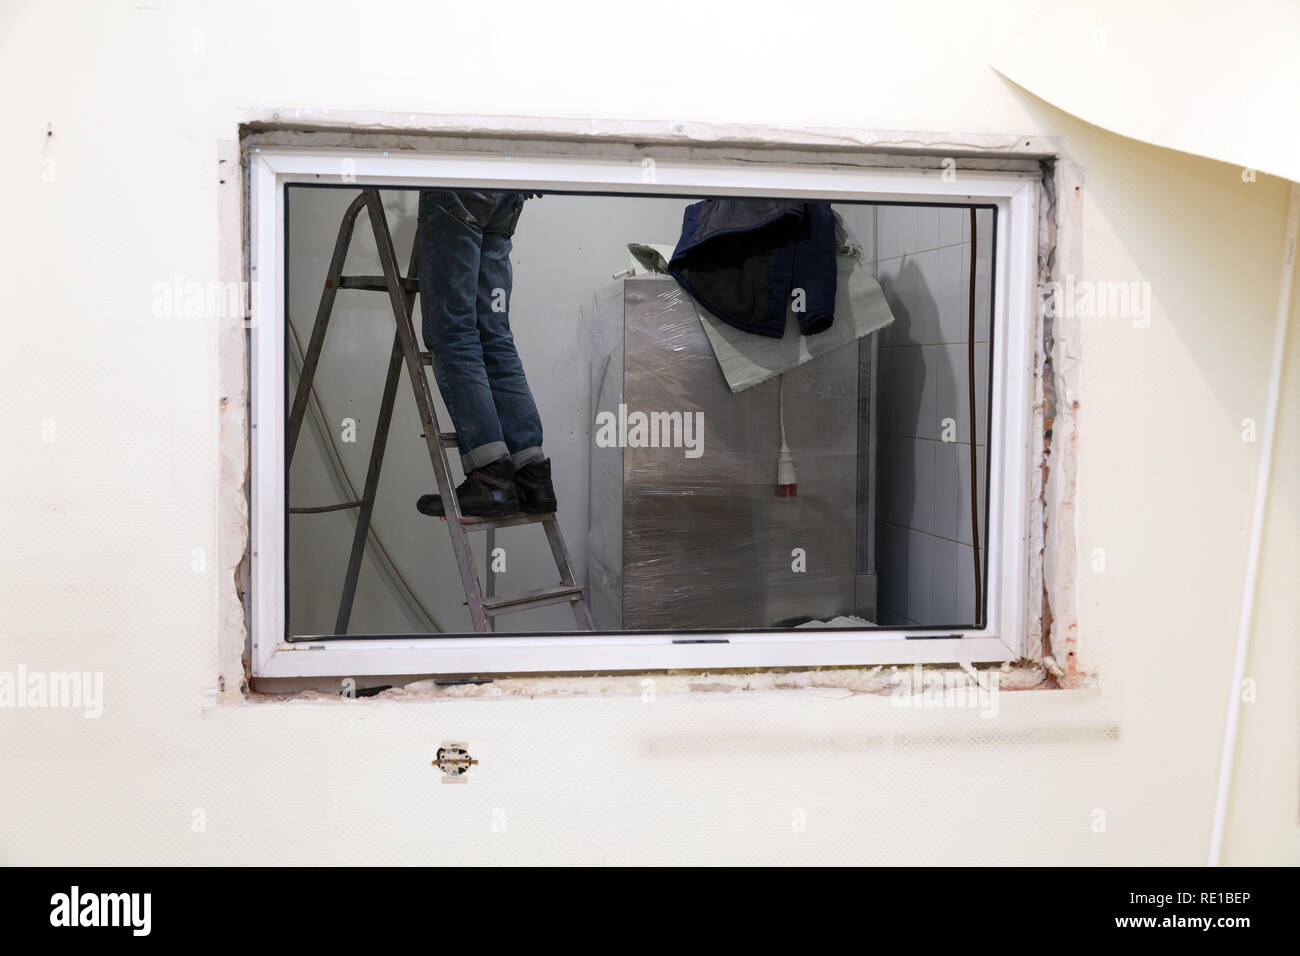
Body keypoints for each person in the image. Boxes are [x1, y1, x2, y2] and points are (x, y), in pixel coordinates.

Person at [414, 189, 556, 518]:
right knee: (494, 336)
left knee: (453, 331)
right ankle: (532, 476)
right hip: (507, 193)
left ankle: (491, 477)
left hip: (460, 182)